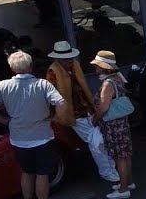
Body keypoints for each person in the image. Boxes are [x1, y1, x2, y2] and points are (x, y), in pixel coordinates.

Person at [0, 50, 67, 199]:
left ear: (12, 68)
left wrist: (5, 120)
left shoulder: (3, 86)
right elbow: (61, 103)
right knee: (42, 175)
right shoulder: (42, 84)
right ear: (31, 66)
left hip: (19, 138)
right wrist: (55, 117)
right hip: (42, 136)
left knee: (27, 173)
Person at [44, 40, 118, 183]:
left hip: (87, 109)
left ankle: (110, 169)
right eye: (66, 59)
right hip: (75, 113)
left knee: (99, 140)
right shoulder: (53, 72)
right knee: (97, 141)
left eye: (70, 58)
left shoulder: (74, 66)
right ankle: (108, 171)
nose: (69, 61)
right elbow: (50, 95)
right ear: (58, 59)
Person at [89, 51, 134, 199]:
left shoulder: (107, 83)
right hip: (122, 122)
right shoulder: (117, 78)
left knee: (119, 156)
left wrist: (94, 119)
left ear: (103, 67)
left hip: (113, 125)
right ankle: (127, 182)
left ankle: (123, 189)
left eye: (97, 66)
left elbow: (103, 107)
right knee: (125, 154)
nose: (95, 68)